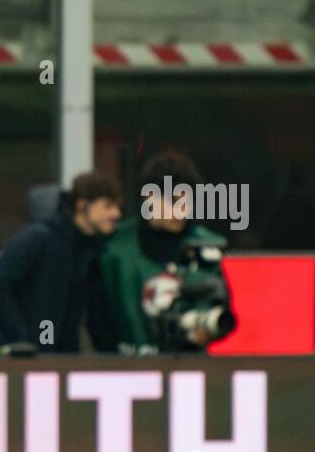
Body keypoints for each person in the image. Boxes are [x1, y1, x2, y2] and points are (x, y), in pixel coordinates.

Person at [87, 149, 236, 354]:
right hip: (125, 372)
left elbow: (221, 313)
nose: (183, 211)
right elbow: (96, 322)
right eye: (175, 201)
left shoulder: (206, 247)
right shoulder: (113, 250)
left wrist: (203, 331)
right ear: (150, 197)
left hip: (189, 372)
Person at [0, 171, 122, 355]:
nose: (116, 214)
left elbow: (94, 314)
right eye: (108, 206)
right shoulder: (39, 238)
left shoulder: (92, 251)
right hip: (11, 360)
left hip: (56, 363)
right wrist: (21, 340)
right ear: (82, 205)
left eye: (117, 207)